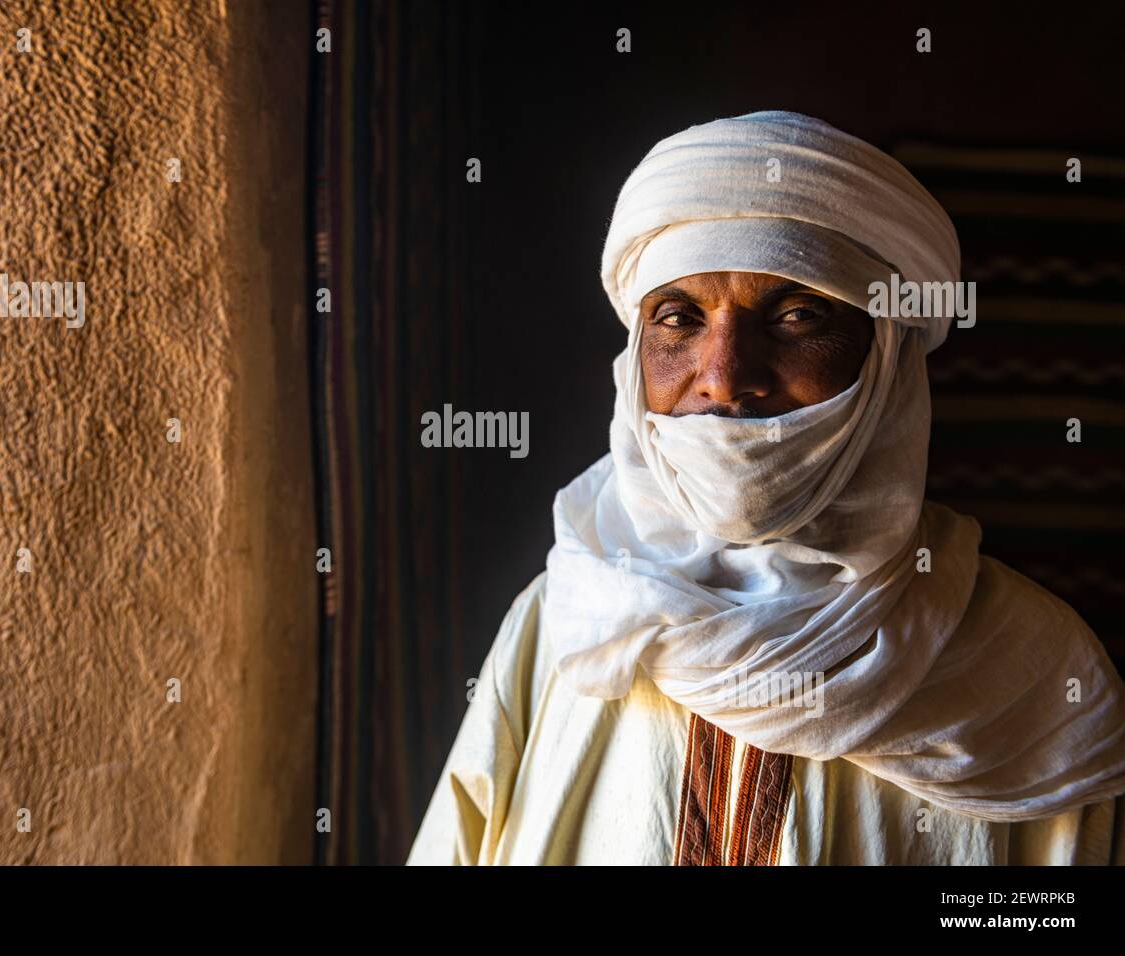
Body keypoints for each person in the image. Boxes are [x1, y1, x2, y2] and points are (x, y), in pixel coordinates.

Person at [406, 111, 1125, 865]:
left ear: (886, 367)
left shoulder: (1036, 674)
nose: (724, 377)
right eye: (679, 319)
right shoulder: (567, 620)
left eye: (797, 316)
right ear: (634, 361)